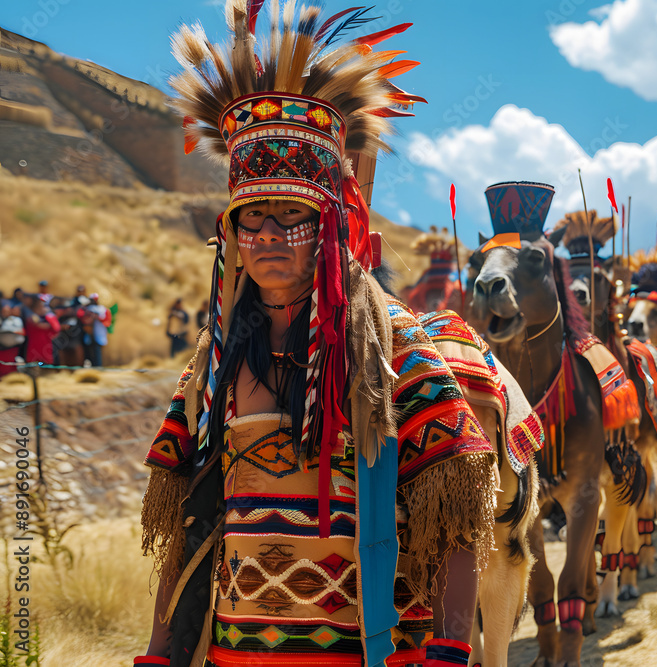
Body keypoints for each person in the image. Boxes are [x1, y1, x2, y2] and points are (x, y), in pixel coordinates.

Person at [135, 6, 495, 667]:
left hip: (367, 650)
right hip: (233, 650)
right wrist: (160, 652)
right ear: (232, 234)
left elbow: (453, 513)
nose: (267, 234)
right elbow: (185, 524)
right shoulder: (213, 359)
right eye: (252, 217)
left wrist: (450, 646)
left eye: (290, 216)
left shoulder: (392, 341)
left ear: (328, 225)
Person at [23, 295, 60, 366]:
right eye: (39, 306)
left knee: (46, 369)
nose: (42, 308)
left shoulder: (49, 317)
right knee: (33, 367)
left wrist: (49, 319)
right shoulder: (31, 317)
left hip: (46, 349)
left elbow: (56, 329)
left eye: (44, 306)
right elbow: (35, 324)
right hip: (33, 349)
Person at [78, 292, 111, 367]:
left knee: (97, 352)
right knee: (88, 353)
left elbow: (107, 321)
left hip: (98, 335)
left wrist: (98, 318)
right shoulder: (85, 309)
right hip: (87, 335)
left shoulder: (103, 309)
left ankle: (98, 368)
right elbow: (82, 318)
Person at [0, 303, 25, 379]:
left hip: (12, 348)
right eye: (4, 311)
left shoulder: (15, 320)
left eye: (7, 311)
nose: (6, 312)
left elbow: (21, 332)